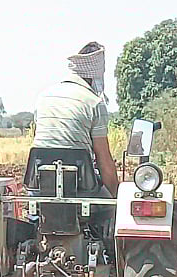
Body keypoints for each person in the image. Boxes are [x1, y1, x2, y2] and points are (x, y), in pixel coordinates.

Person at [32, 41, 119, 197]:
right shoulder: (94, 102)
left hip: (41, 189)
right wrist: (115, 197)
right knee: (108, 204)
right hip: (82, 190)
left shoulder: (43, 97)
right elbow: (103, 160)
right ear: (96, 75)